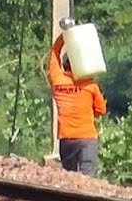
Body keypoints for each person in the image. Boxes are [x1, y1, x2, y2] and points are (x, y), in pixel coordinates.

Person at [48, 25, 106, 176]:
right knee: (87, 181)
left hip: (66, 139)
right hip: (87, 138)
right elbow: (101, 110)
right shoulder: (91, 85)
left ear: (66, 64)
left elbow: (54, 52)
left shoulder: (57, 80)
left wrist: (65, 35)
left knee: (69, 181)